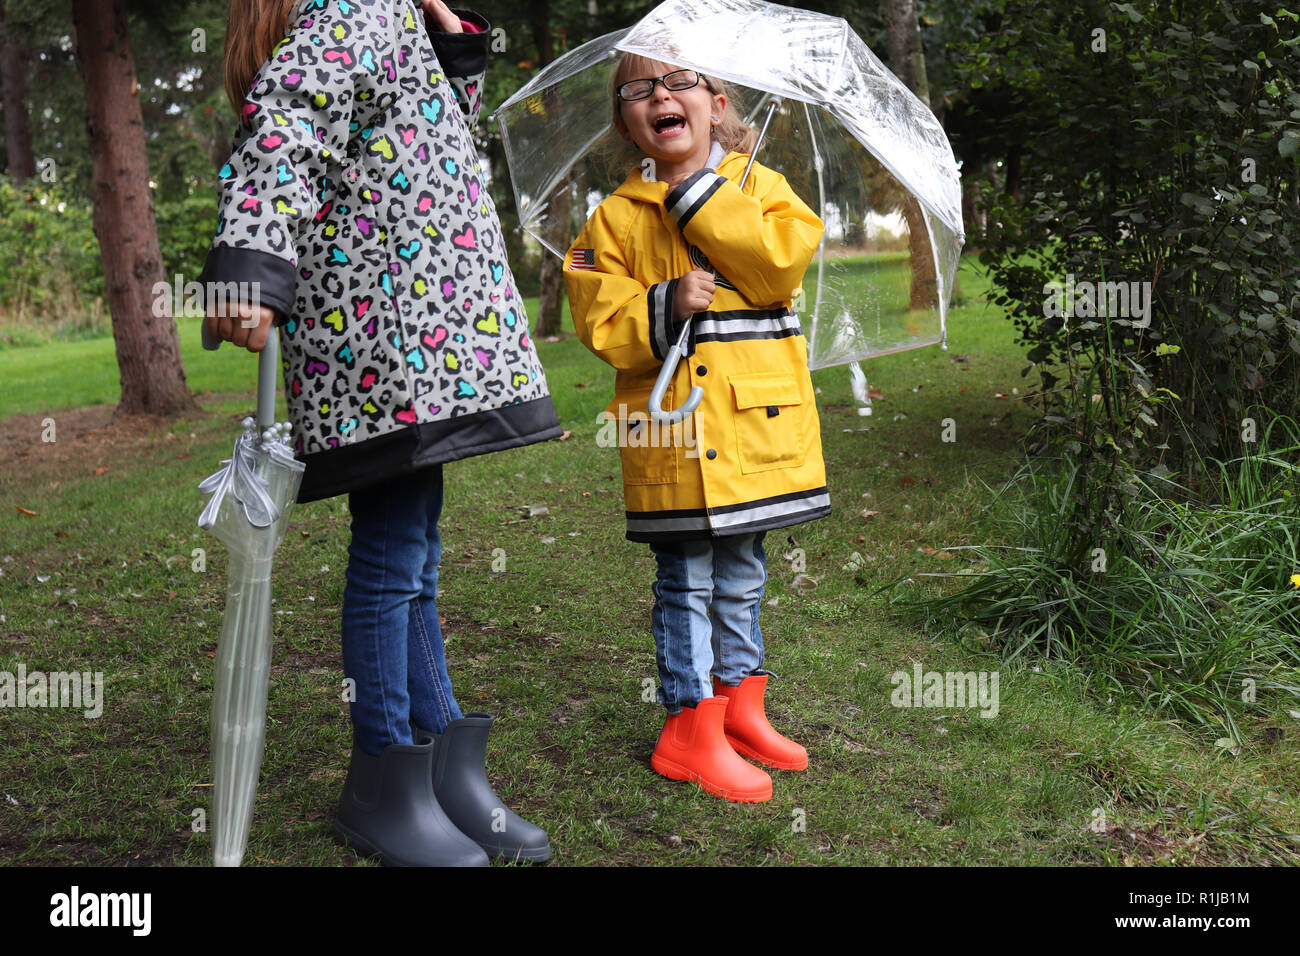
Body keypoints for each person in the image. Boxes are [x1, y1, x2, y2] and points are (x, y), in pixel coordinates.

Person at [200, 0, 560, 865]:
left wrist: (451, 49)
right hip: (386, 345)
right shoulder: (350, 11)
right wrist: (248, 264)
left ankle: (437, 762)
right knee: (394, 554)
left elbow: (423, 138)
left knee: (416, 554)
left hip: (419, 341)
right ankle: (380, 772)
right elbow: (289, 129)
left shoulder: (389, 18)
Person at [564, 55, 830, 803]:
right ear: (626, 120)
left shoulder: (764, 190)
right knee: (686, 580)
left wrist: (702, 201)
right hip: (672, 437)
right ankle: (689, 725)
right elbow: (594, 313)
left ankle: (740, 707)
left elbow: (778, 266)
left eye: (680, 83)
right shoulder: (611, 219)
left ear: (717, 105)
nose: (660, 97)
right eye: (639, 90)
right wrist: (666, 300)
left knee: (744, 574)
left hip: (755, 430)